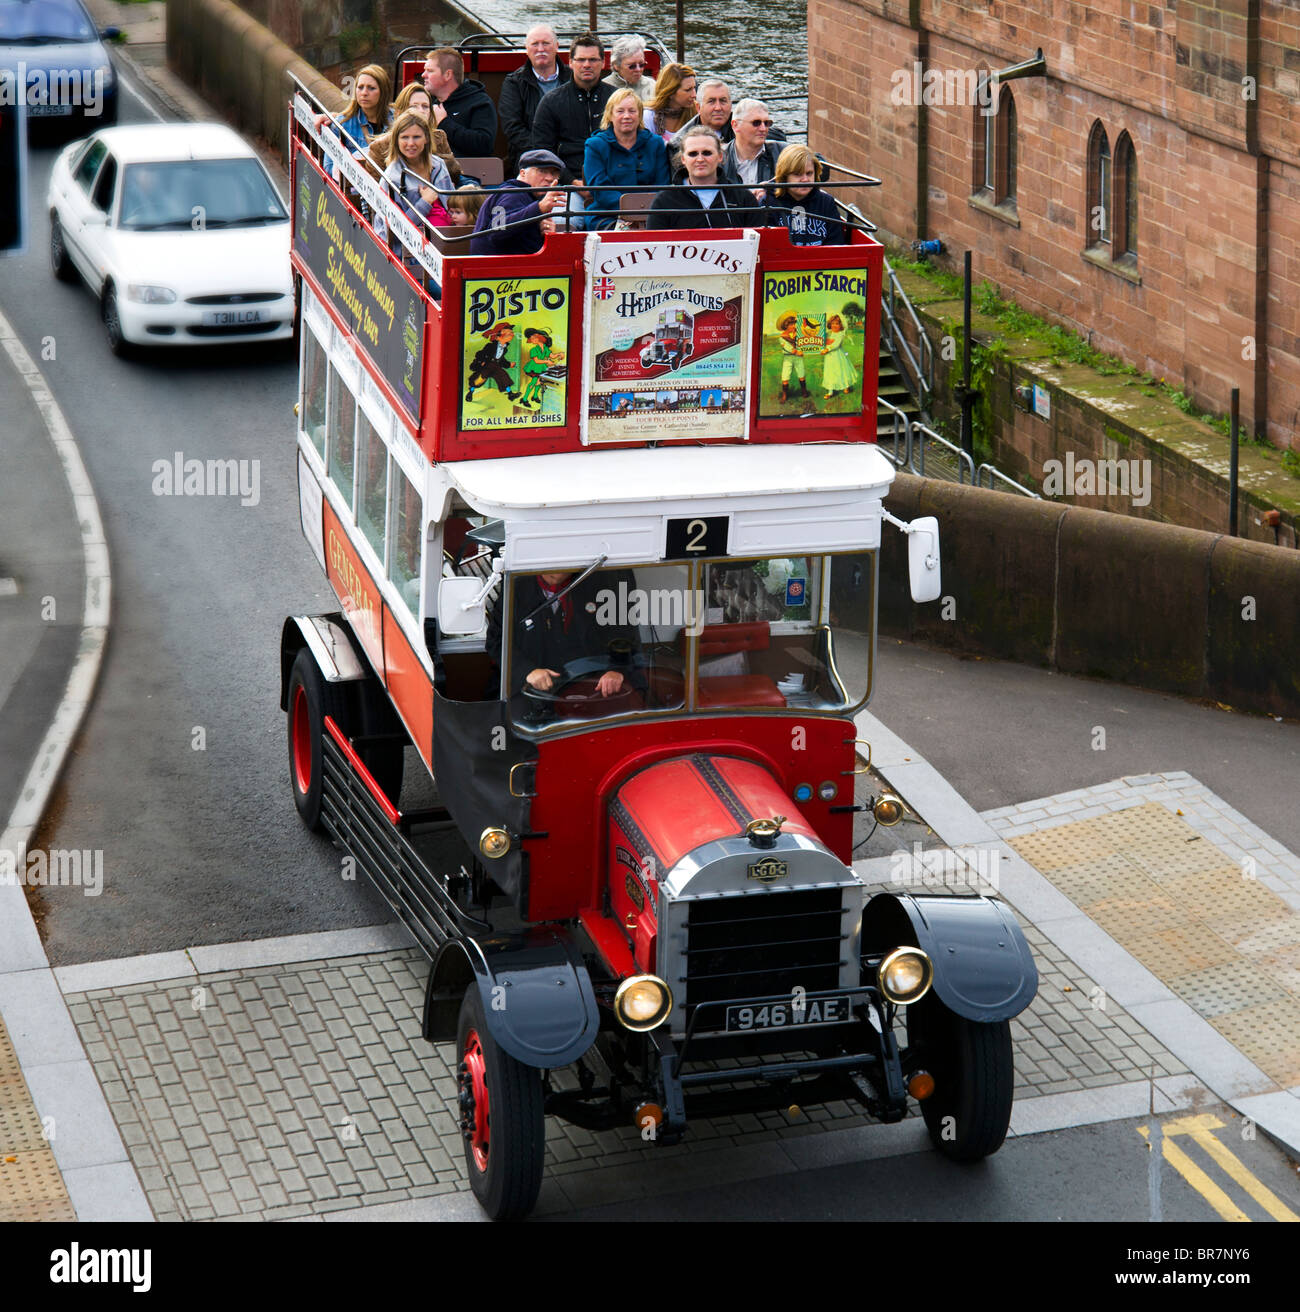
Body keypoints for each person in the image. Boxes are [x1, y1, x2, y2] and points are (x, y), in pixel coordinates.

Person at [489, 569, 640, 699]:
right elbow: (496, 641)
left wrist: (615, 669)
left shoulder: (597, 582)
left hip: (591, 683)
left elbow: (623, 632)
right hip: (530, 690)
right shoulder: (516, 587)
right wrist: (527, 671)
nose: (556, 568)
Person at [583, 89, 669, 230]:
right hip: (607, 214)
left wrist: (645, 213)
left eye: (632, 111)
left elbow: (662, 185)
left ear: (640, 115)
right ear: (610, 115)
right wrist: (630, 213)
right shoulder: (595, 145)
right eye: (620, 111)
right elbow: (599, 189)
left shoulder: (656, 143)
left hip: (652, 213)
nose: (627, 116)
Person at [531, 33, 613, 180]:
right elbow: (544, 152)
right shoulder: (551, 102)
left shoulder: (617, 100)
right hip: (568, 184)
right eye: (581, 59)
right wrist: (572, 182)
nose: (587, 64)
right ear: (570, 62)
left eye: (593, 59)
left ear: (603, 62)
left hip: (614, 180)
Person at [648, 127, 759, 230]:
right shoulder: (664, 202)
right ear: (683, 159)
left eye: (707, 153)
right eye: (693, 154)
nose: (700, 159)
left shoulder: (744, 199)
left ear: (720, 156)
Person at [499, 24, 571, 175]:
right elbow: (513, 128)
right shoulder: (514, 83)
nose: (540, 49)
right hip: (529, 158)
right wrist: (544, 153)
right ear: (526, 48)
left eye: (546, 43)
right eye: (535, 44)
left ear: (556, 46)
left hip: (570, 156)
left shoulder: (573, 79)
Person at [469, 149, 568, 255]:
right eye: (542, 171)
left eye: (554, 173)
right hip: (497, 268)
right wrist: (538, 208)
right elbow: (497, 232)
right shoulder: (511, 194)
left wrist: (547, 234)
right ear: (523, 173)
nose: (549, 178)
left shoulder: (528, 196)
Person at [373, 110, 454, 230]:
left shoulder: (438, 165)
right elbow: (394, 229)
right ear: (396, 140)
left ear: (426, 138)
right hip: (407, 246)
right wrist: (425, 203)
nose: (410, 143)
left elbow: (452, 206)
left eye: (416, 137)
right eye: (405, 137)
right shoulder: (391, 178)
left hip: (446, 236)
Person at [422, 47, 497, 158]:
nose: (423, 75)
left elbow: (484, 145)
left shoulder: (480, 102)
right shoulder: (426, 102)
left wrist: (444, 123)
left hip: (467, 172)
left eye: (430, 71)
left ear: (448, 75)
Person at [766, 143, 845, 244]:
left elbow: (836, 244)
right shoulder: (769, 203)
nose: (805, 179)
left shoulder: (826, 202)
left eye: (809, 173)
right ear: (784, 176)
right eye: (798, 174)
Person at [392, 80, 461, 184]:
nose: (421, 111)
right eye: (414, 106)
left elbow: (453, 176)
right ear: (399, 112)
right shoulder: (380, 146)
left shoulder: (439, 137)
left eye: (425, 106)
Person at [723, 99, 782, 194]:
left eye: (767, 123)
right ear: (735, 125)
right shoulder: (718, 158)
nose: (763, 129)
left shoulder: (782, 153)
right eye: (756, 123)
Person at [466, 322, 519, 402]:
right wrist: (481, 362)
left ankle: (510, 394)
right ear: (498, 337)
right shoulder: (490, 346)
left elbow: (501, 359)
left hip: (496, 366)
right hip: (487, 365)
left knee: (504, 377)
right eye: (509, 334)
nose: (512, 335)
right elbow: (480, 353)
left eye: (512, 333)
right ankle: (470, 392)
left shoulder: (505, 348)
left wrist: (508, 364)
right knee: (479, 379)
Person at [642, 62, 696, 141]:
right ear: (670, 92)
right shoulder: (648, 116)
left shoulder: (696, 113)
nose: (694, 95)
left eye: (694, 88)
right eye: (688, 90)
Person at [519, 327, 562, 407]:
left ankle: (535, 396)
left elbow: (551, 355)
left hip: (542, 367)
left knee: (540, 382)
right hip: (534, 367)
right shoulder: (533, 350)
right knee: (533, 382)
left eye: (534, 337)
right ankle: (524, 399)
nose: (532, 340)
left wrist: (559, 354)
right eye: (531, 338)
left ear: (540, 338)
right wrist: (547, 361)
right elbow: (536, 361)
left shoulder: (545, 348)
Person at [603, 36, 655, 100]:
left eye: (641, 65)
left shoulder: (652, 86)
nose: (638, 69)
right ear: (616, 65)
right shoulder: (602, 89)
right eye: (632, 66)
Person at [820, 314, 858, 399]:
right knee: (830, 372)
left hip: (838, 355)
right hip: (829, 357)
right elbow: (823, 342)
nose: (834, 325)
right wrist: (822, 348)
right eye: (833, 323)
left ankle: (845, 386)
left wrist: (827, 349)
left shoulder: (840, 334)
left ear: (840, 325)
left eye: (837, 324)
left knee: (841, 370)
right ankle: (830, 391)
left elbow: (836, 345)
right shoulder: (829, 334)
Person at [774, 312, 809, 403]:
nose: (793, 326)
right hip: (788, 358)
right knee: (785, 376)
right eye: (790, 325)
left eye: (794, 324)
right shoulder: (782, 336)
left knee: (801, 374)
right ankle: (785, 394)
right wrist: (797, 352)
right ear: (786, 326)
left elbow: (806, 339)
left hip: (798, 358)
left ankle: (804, 391)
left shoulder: (799, 333)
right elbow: (787, 347)